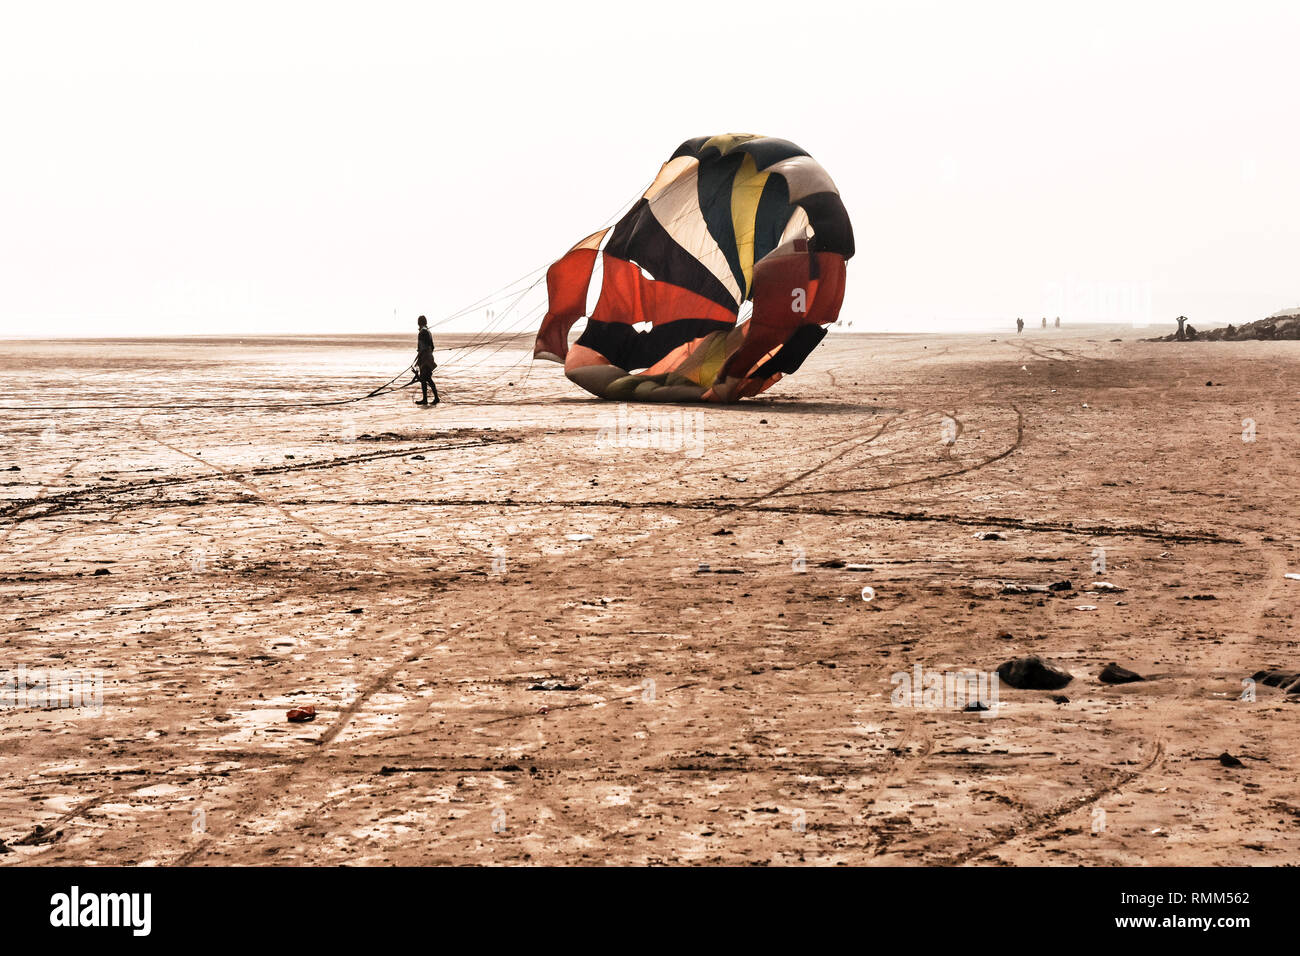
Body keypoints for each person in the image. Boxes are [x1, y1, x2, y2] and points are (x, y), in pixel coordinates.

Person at [414, 315, 439, 405]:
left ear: (419, 322)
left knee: (425, 378)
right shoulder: (428, 331)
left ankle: (428, 399)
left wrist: (419, 356)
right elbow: (432, 347)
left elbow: (423, 347)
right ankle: (433, 398)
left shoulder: (422, 332)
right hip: (428, 356)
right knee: (426, 378)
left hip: (425, 358)